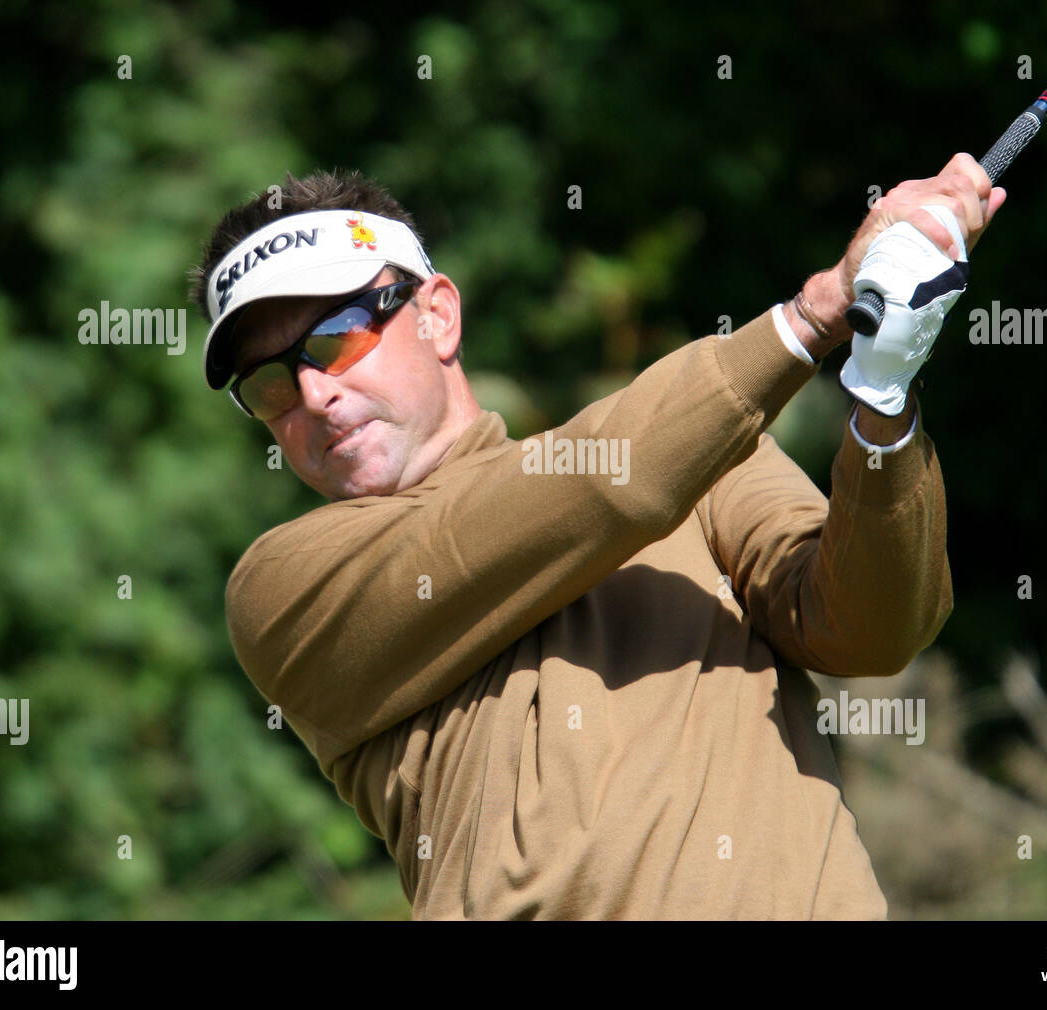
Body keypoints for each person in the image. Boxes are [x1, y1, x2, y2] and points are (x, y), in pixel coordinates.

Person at [189, 155, 1005, 919]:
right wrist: (818, 312)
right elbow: (614, 487)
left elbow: (873, 627)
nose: (313, 396)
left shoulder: (708, 455)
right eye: (268, 382)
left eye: (334, 340)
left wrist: (884, 397)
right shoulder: (281, 588)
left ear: (437, 315)